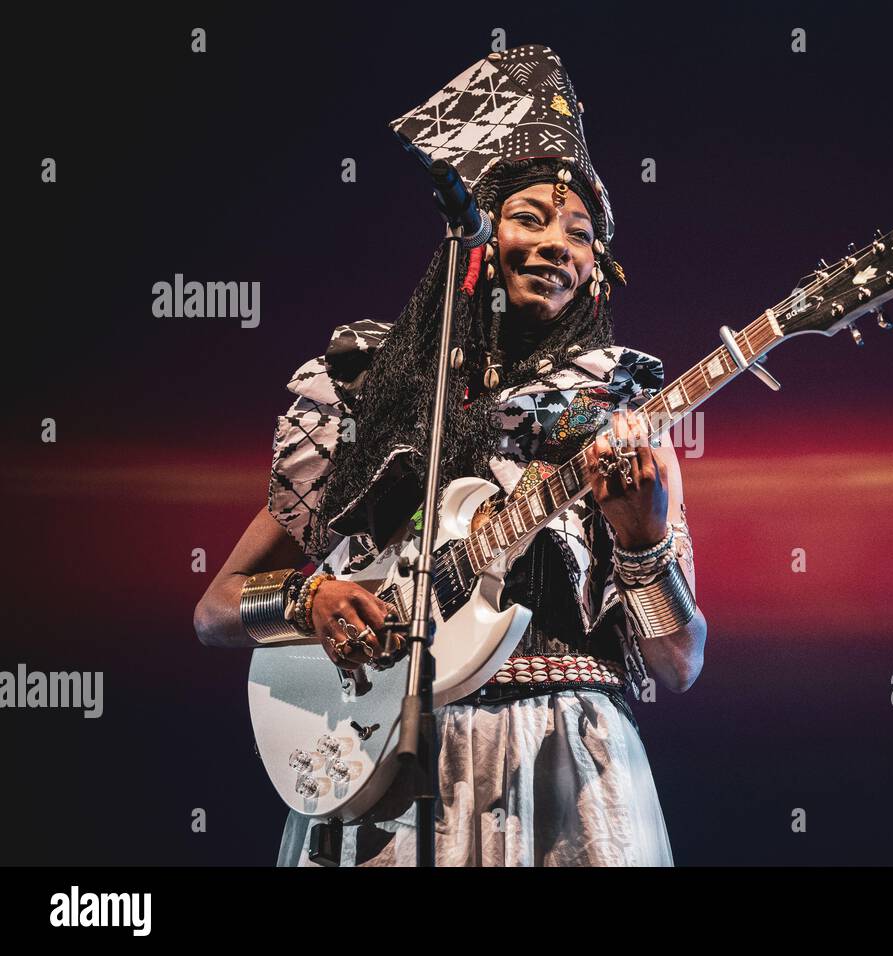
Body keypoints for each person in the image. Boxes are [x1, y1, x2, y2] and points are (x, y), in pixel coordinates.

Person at [192, 44, 706, 866]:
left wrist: (644, 545)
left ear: (597, 274)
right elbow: (217, 610)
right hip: (386, 756)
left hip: (564, 770)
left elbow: (680, 665)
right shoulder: (372, 396)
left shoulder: (620, 422)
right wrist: (312, 600)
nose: (554, 245)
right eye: (529, 218)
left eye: (578, 234)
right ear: (474, 245)